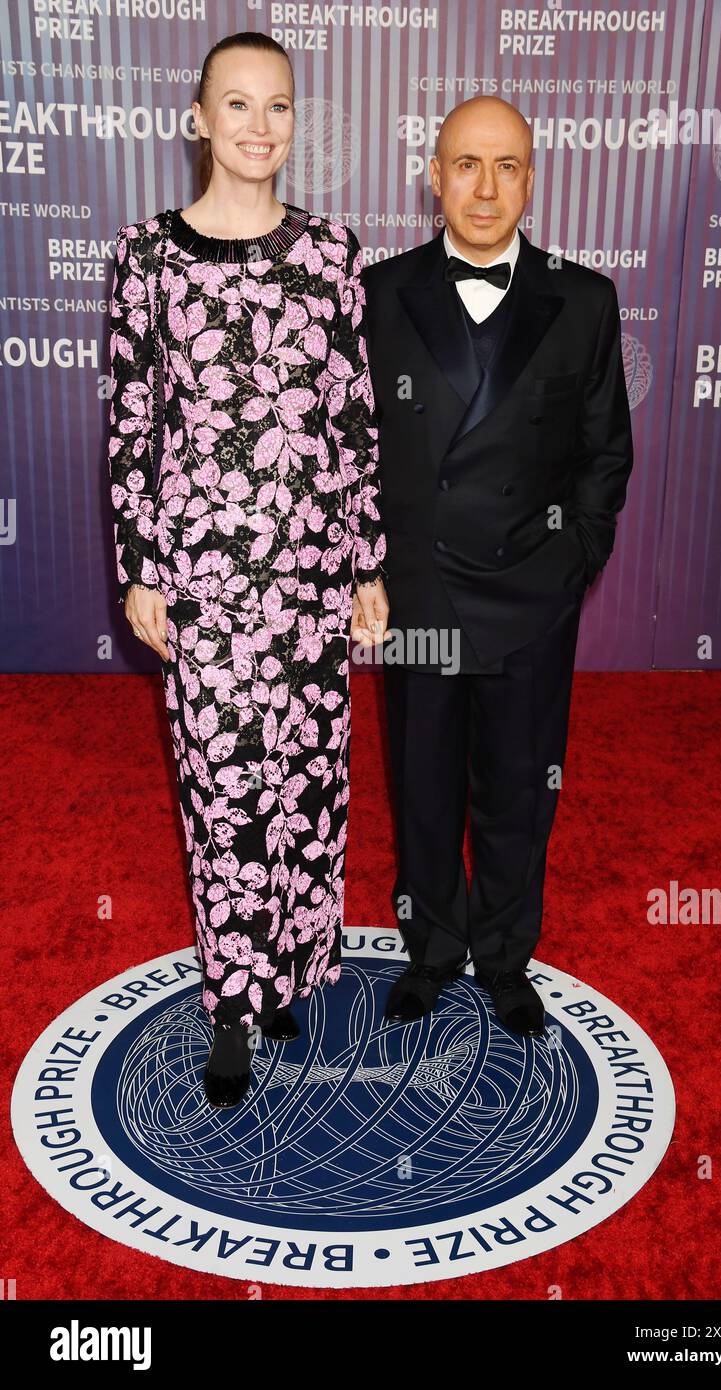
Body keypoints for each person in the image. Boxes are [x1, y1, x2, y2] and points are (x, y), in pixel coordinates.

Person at [106, 32, 388, 1109]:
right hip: (203, 576)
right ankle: (231, 999)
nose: (260, 128)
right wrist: (140, 566)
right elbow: (134, 424)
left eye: (277, 107)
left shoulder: (331, 255)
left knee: (309, 778)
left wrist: (366, 562)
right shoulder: (143, 258)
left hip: (312, 568)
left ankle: (296, 969)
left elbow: (354, 419)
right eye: (237, 105)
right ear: (198, 120)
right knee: (222, 789)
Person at [361, 96, 633, 1036]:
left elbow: (606, 453)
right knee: (424, 782)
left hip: (529, 594)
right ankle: (433, 948)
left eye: (506, 165)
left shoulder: (584, 300)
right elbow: (349, 448)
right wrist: (370, 573)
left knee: (519, 786)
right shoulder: (378, 295)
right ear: (432, 176)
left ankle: (507, 956)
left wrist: (573, 563)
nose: (484, 188)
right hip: (421, 595)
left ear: (531, 178)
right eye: (465, 165)